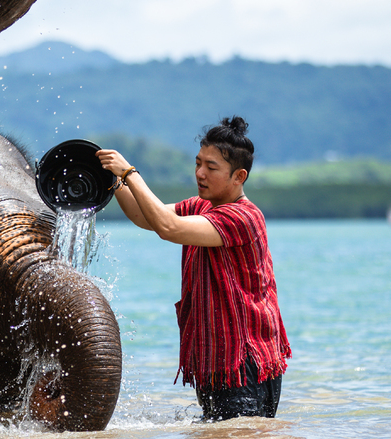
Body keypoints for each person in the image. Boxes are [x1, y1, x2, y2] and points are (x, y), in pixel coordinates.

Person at [96, 116, 290, 421]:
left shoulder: (244, 217)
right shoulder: (202, 206)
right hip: (215, 361)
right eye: (198, 163)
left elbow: (167, 227)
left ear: (239, 176)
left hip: (245, 363)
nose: (199, 173)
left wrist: (130, 173)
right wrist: (112, 178)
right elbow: (146, 216)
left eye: (211, 168)